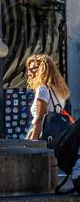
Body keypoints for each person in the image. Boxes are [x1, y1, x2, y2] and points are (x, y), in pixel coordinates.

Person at [25, 53, 80, 189]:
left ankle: (35, 187)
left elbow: (39, 117)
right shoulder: (58, 90)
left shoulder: (42, 89)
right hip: (57, 135)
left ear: (41, 69)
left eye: (32, 69)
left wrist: (32, 141)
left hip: (43, 134)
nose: (29, 72)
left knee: (33, 164)